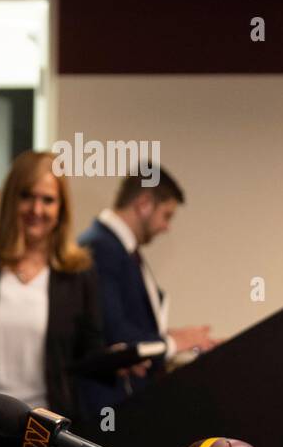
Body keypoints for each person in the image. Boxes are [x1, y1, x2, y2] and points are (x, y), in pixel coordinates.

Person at [0, 150, 105, 437]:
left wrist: (121, 362)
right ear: (11, 199)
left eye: (48, 200)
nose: (36, 209)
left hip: (49, 436)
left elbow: (90, 351)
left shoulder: (78, 272)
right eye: (27, 196)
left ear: (61, 208)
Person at [78, 168, 217, 414]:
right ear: (144, 204)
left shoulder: (123, 250)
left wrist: (176, 336)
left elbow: (129, 323)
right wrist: (173, 343)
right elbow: (113, 333)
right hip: (105, 406)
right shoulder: (101, 247)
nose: (167, 227)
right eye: (166, 215)